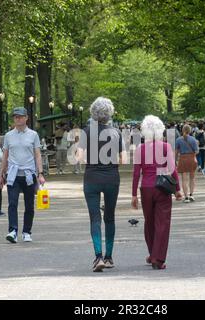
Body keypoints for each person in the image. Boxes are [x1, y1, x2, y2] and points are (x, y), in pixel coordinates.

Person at [76, 97, 127, 272]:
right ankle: (109, 257)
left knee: (95, 218)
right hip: (112, 178)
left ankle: (98, 256)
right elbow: (123, 159)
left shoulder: (86, 131)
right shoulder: (116, 133)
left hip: (91, 178)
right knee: (110, 217)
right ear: (109, 113)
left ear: (93, 113)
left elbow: (79, 159)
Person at [132, 115, 183, 270]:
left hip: (146, 187)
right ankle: (158, 258)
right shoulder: (166, 147)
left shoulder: (140, 149)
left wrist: (134, 194)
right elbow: (172, 169)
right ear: (160, 130)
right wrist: (178, 190)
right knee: (162, 223)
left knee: (149, 222)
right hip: (162, 187)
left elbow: (136, 173)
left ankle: (152, 253)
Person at [0, 107, 46, 243]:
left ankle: (26, 231)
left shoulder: (33, 135)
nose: (17, 119)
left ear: (26, 118)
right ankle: (12, 231)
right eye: (15, 117)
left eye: (20, 116)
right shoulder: (8, 136)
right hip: (13, 174)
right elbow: (5, 156)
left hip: (29, 174)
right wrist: (1, 174)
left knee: (29, 205)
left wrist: (40, 173)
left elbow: (37, 155)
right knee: (12, 203)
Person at [176, 124, 199, 203]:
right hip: (192, 159)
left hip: (183, 159)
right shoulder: (193, 139)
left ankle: (186, 197)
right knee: (192, 178)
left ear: (182, 130)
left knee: (184, 179)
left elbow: (176, 151)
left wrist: (175, 160)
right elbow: (197, 151)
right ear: (190, 131)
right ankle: (191, 195)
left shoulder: (178, 140)